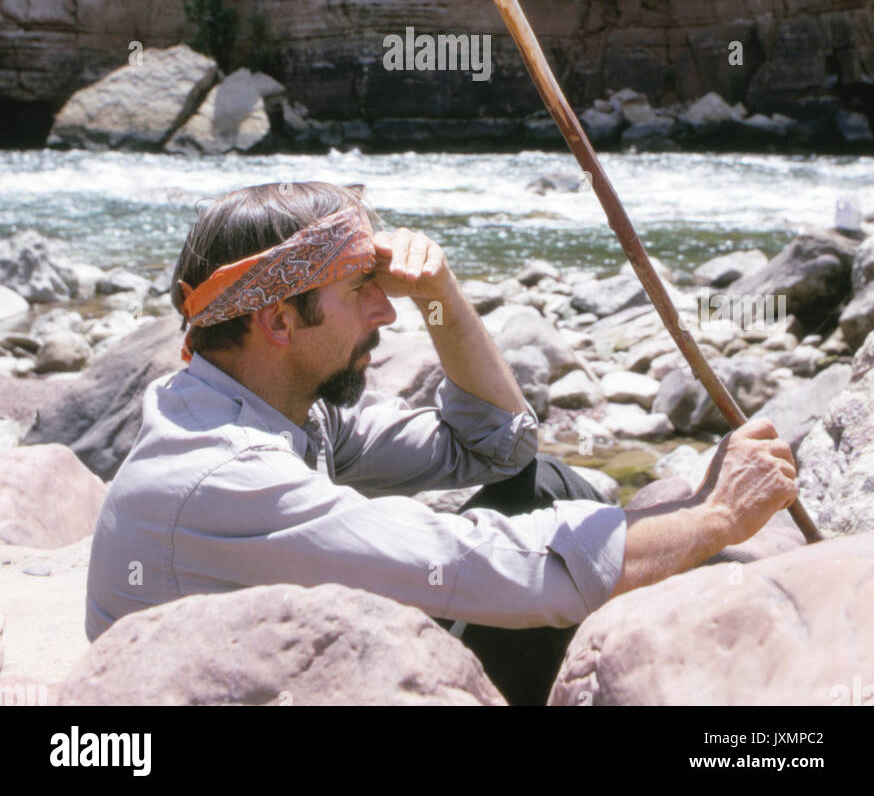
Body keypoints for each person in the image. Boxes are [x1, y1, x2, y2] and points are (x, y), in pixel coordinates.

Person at [85, 180, 799, 705]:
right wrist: (711, 517)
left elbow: (498, 450)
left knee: (545, 489)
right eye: (360, 287)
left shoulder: (276, 405)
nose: (385, 309)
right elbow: (471, 564)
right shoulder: (224, 470)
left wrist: (442, 294)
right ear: (278, 320)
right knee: (545, 568)